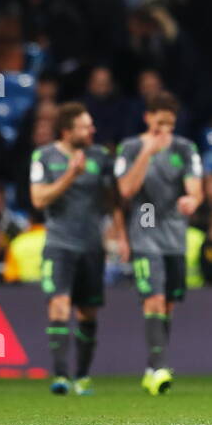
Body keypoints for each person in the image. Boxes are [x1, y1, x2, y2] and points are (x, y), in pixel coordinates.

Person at [29, 103, 126, 397]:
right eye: (85, 126)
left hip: (92, 246)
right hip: (60, 244)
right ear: (67, 131)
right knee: (59, 304)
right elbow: (39, 199)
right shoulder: (44, 157)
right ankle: (60, 375)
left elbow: (114, 199)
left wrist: (121, 236)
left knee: (88, 312)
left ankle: (82, 376)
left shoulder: (100, 157)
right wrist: (70, 175)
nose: (92, 130)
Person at [115, 93, 202, 396]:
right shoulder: (130, 148)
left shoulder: (185, 149)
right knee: (153, 299)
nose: (165, 130)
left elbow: (195, 188)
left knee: (167, 304)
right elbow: (125, 190)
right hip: (144, 234)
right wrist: (147, 153)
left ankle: (152, 368)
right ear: (147, 118)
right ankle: (161, 367)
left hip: (174, 237)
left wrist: (192, 200)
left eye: (170, 124)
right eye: (160, 123)